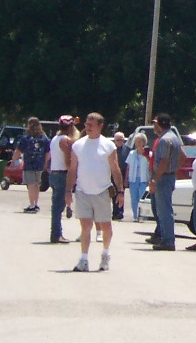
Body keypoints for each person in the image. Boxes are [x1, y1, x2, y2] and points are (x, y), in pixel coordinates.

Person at [65, 112, 124, 272]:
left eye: (91, 125)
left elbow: (115, 169)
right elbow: (72, 169)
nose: (87, 127)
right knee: (85, 226)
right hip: (83, 191)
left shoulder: (108, 145)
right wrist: (68, 191)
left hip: (102, 191)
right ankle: (83, 259)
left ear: (100, 126)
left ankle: (105, 254)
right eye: (86, 124)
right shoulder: (78, 145)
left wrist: (120, 191)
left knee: (105, 226)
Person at [146, 113, 182, 251]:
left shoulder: (164, 140)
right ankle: (166, 239)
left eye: (155, 123)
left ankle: (168, 241)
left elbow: (163, 161)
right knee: (164, 209)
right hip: (169, 176)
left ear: (160, 124)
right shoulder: (174, 138)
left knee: (164, 210)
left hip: (163, 178)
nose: (154, 126)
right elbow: (182, 156)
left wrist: (155, 179)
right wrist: (174, 170)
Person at [48, 115, 79, 243]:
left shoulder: (55, 139)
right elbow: (68, 160)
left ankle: (57, 233)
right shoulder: (65, 140)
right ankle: (56, 234)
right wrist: (73, 176)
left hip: (54, 173)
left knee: (56, 206)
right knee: (58, 207)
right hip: (62, 175)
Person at [10, 116, 50, 214]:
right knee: (36, 184)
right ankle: (35, 203)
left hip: (29, 164)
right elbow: (48, 152)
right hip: (40, 164)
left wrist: (13, 162)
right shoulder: (43, 138)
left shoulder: (26, 138)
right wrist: (46, 163)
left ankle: (32, 205)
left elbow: (18, 151)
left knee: (31, 185)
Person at [125, 133, 150, 223]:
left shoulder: (148, 154)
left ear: (144, 142)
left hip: (144, 179)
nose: (138, 143)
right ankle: (135, 216)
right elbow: (128, 167)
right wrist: (126, 179)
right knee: (134, 198)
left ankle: (142, 215)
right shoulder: (132, 153)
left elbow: (150, 167)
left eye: (140, 141)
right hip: (133, 178)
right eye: (136, 141)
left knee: (141, 197)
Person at [111, 132, 131, 220]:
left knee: (121, 193)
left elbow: (128, 165)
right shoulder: (111, 149)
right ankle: (115, 212)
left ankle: (119, 212)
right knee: (113, 193)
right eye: (118, 140)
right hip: (112, 173)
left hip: (123, 173)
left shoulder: (128, 149)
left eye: (122, 140)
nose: (120, 142)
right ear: (114, 140)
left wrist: (126, 178)